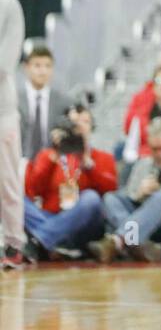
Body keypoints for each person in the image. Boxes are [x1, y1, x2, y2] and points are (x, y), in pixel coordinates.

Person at [89, 118, 161, 263]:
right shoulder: (142, 166)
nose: (160, 154)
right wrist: (139, 194)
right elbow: (127, 197)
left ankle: (120, 240)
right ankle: (139, 245)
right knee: (110, 198)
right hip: (141, 219)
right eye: (155, 149)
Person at [24, 105, 116, 259]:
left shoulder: (103, 157)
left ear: (91, 127)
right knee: (14, 201)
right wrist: (52, 159)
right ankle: (56, 243)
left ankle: (40, 241)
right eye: (74, 123)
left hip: (85, 225)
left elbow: (111, 190)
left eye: (85, 122)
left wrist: (89, 164)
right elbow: (33, 190)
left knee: (91, 198)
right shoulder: (48, 155)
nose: (79, 126)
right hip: (51, 216)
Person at [0, 0, 25, 269]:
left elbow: (5, 63)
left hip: (2, 110)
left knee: (6, 180)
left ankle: (14, 243)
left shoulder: (8, 4)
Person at [18, 43, 69, 160]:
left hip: (53, 164)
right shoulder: (15, 100)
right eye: (37, 66)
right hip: (19, 164)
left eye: (48, 66)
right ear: (27, 67)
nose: (43, 71)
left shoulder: (63, 102)